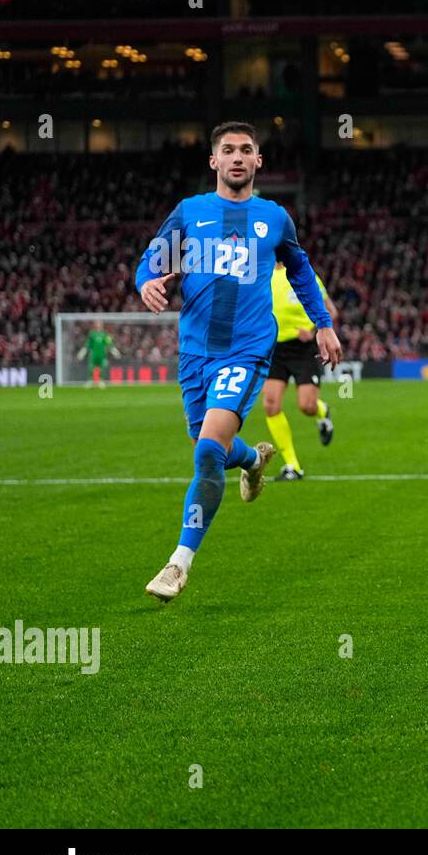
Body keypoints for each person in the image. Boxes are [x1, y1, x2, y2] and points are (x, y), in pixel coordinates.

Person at [135, 121, 341, 602]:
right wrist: (146, 280)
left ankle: (177, 565)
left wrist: (324, 322)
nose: (237, 157)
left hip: (246, 350)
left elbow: (302, 269)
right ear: (213, 162)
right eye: (227, 150)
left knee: (206, 453)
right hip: (194, 353)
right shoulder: (189, 213)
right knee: (212, 448)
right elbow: (151, 259)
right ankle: (252, 460)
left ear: (257, 162)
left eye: (246, 150)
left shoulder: (275, 218)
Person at [263, 262, 339, 481]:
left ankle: (322, 411)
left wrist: (314, 329)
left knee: (306, 406)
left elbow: (331, 310)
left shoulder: (303, 274)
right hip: (274, 348)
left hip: (304, 348)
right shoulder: (261, 273)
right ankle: (292, 466)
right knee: (270, 404)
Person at [76, 319, 122, 388]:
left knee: (101, 368)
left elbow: (109, 344)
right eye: (97, 324)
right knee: (91, 367)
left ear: (101, 325)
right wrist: (82, 352)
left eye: (99, 324)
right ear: (95, 325)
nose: (98, 325)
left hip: (102, 354)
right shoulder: (92, 334)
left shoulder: (105, 334)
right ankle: (90, 381)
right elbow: (88, 344)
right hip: (93, 354)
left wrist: (114, 351)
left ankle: (101, 381)